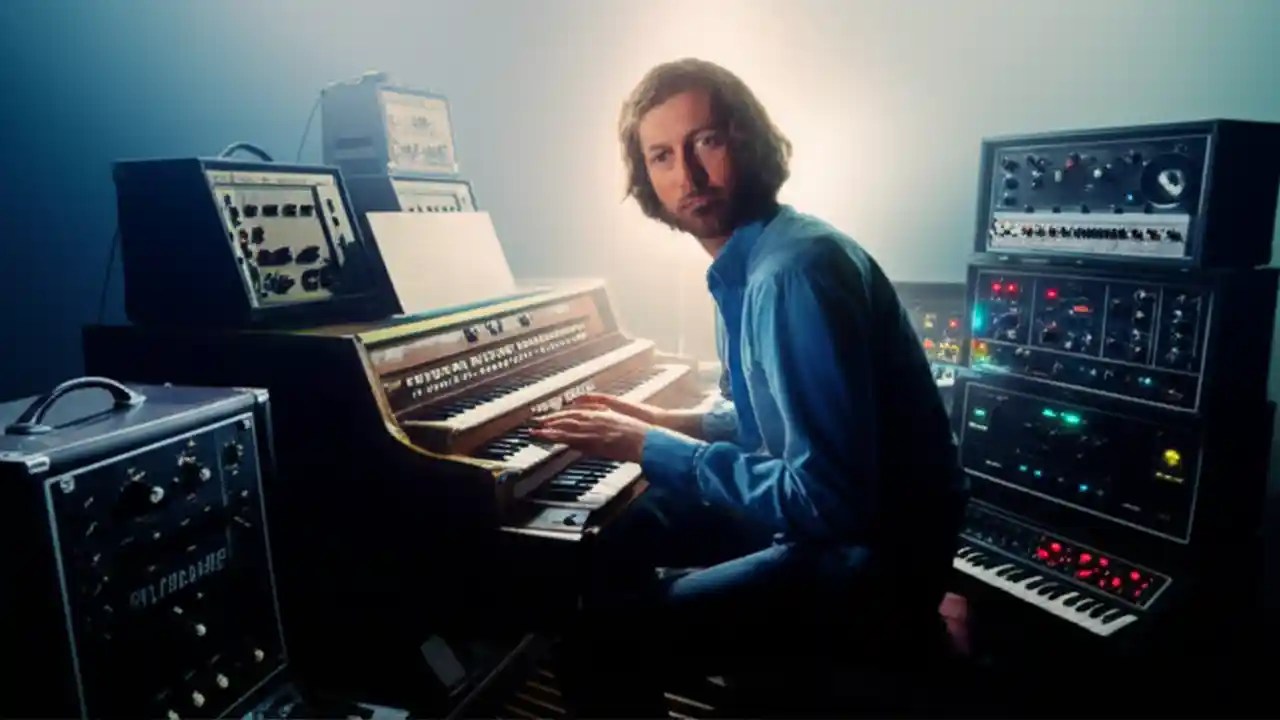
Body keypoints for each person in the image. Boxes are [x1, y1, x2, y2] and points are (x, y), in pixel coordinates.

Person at [530, 57, 968, 716]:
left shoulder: (789, 276)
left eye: (705, 141)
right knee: (619, 534)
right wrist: (660, 422)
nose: (690, 176)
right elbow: (766, 422)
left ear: (749, 141)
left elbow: (828, 502)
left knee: (599, 643)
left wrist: (649, 446)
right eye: (662, 156)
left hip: (870, 561)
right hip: (852, 531)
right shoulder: (751, 260)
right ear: (646, 177)